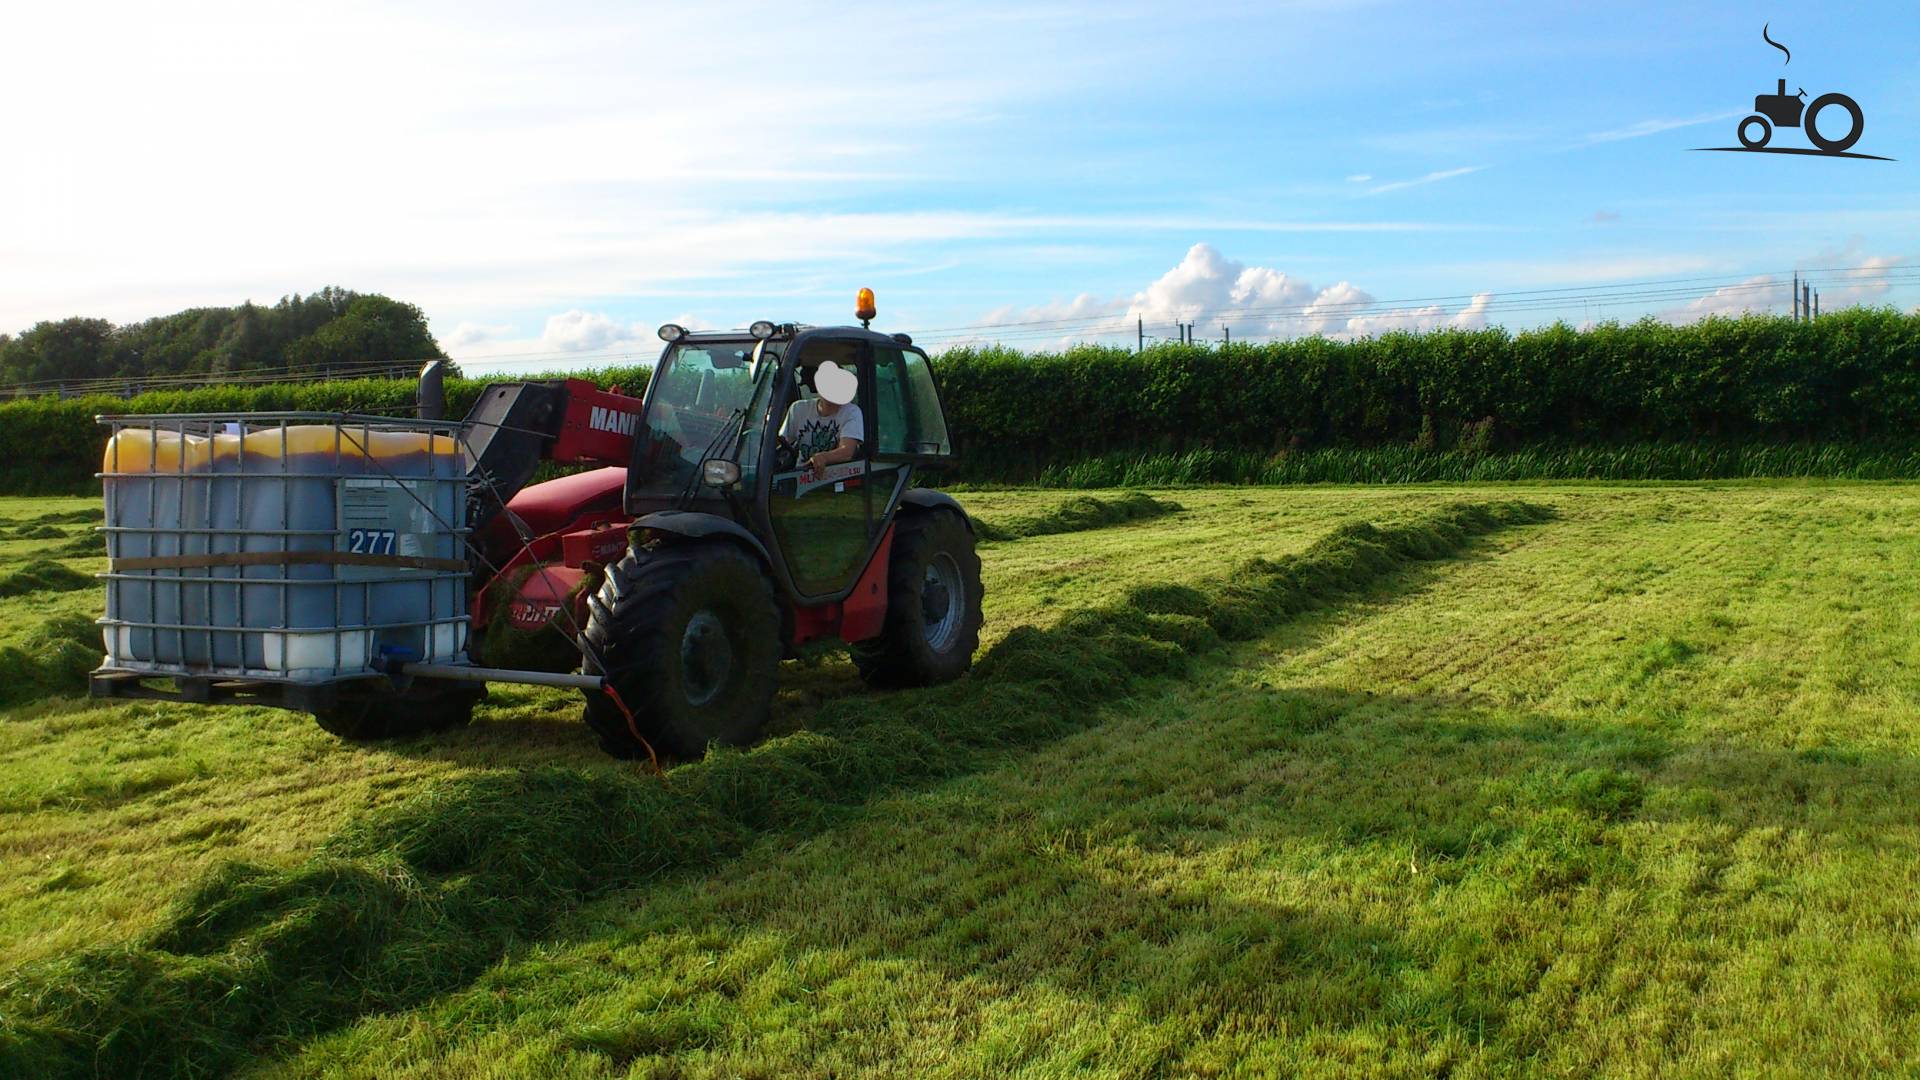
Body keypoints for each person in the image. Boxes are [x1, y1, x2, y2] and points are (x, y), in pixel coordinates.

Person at [780, 360, 864, 472]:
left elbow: (846, 451)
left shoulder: (851, 412)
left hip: (835, 479)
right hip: (800, 475)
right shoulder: (798, 409)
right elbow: (782, 442)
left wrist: (823, 457)